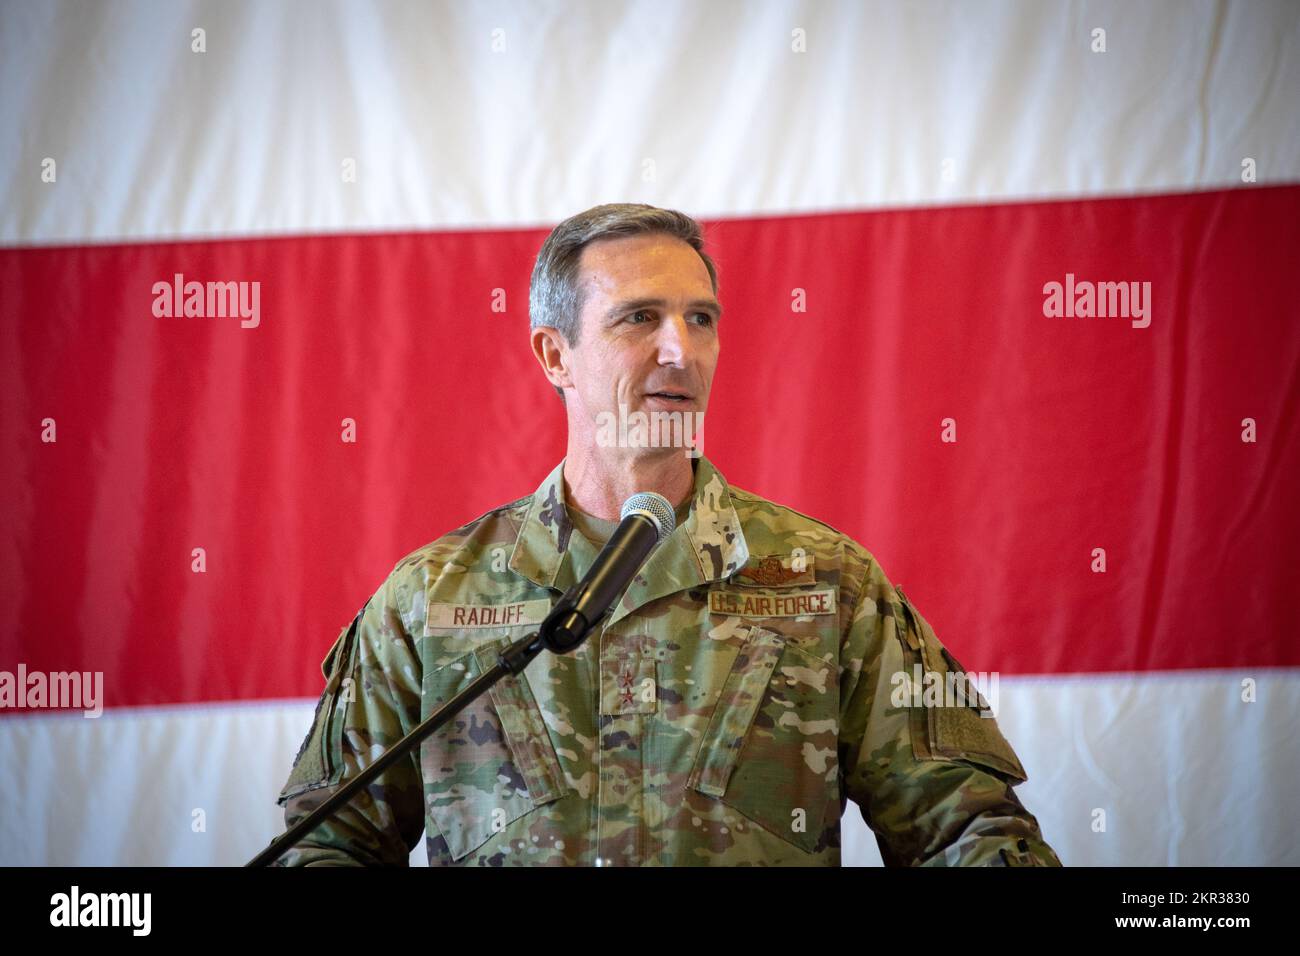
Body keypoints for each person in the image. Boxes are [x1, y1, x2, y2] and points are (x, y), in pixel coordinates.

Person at [270, 203, 1061, 866]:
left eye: (701, 319)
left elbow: (969, 830)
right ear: (556, 354)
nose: (681, 349)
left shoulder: (826, 582)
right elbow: (329, 848)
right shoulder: (432, 597)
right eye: (640, 317)